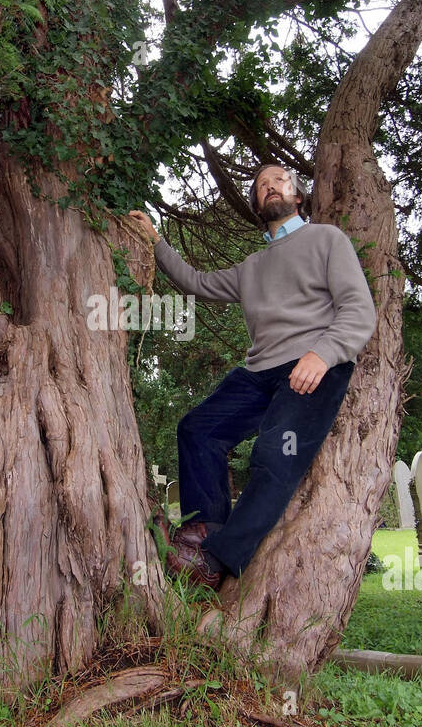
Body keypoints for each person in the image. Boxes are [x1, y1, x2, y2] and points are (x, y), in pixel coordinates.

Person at [127, 164, 377, 590]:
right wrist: (156, 242)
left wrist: (323, 354)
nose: (270, 187)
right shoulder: (252, 266)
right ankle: (204, 533)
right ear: (257, 205)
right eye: (262, 186)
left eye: (279, 181)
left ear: (298, 197)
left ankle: (219, 560)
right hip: (260, 370)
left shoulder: (326, 239)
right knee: (197, 429)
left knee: (274, 456)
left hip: (313, 367)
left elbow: (358, 309)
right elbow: (197, 283)